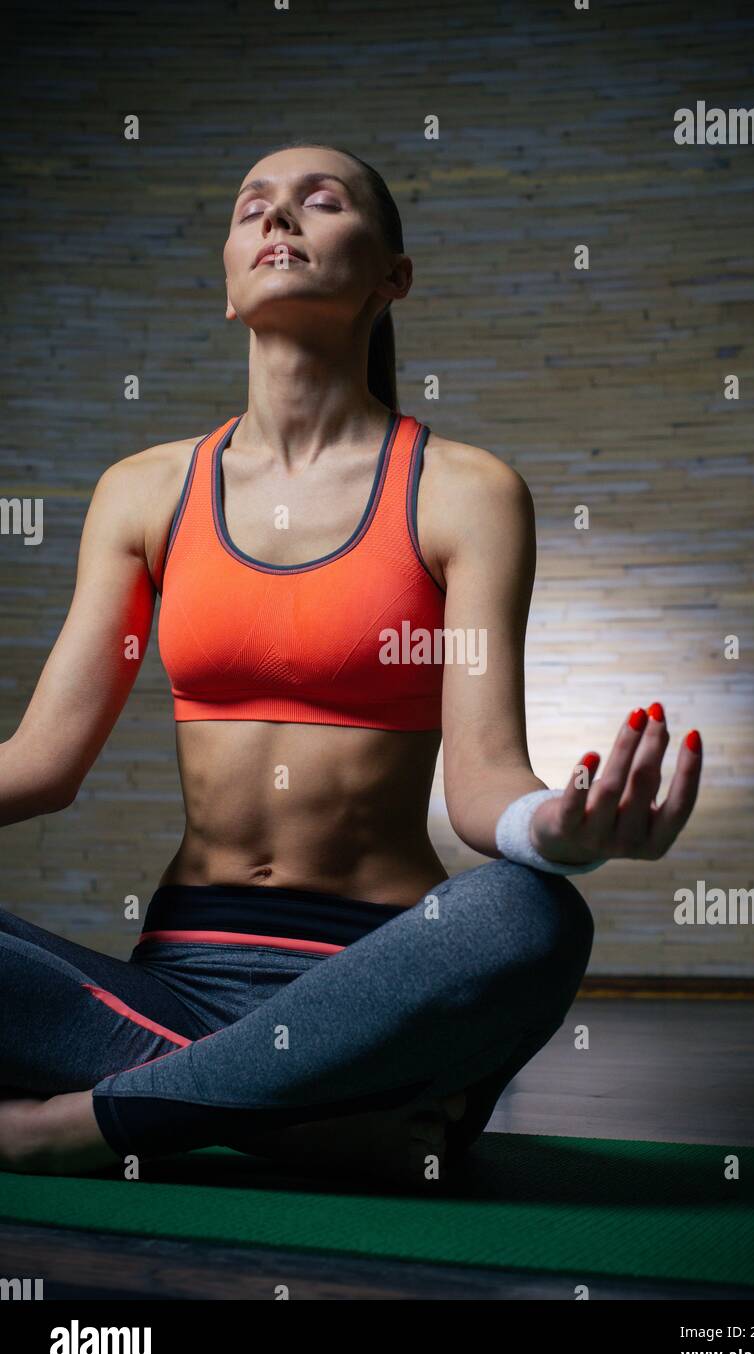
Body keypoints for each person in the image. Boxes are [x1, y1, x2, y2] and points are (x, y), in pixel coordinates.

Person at [0, 143, 702, 1188]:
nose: (278, 220)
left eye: (318, 203)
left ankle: (94, 1121)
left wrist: (552, 829)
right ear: (230, 284)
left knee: (530, 912)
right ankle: (285, 1120)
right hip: (168, 987)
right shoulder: (144, 492)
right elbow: (41, 764)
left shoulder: (464, 491)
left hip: (378, 985)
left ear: (391, 276)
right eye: (252, 210)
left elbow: (481, 792)